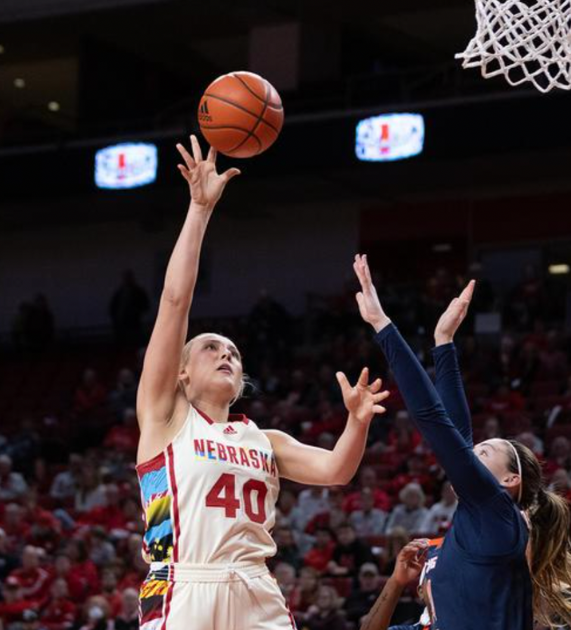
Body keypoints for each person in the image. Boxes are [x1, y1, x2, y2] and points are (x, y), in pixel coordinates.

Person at [132, 137, 391, 630]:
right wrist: (200, 211)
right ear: (183, 371)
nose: (226, 354)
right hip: (184, 583)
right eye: (212, 348)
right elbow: (173, 303)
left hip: (256, 587)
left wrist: (356, 424)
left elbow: (337, 470)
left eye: (233, 352)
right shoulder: (165, 416)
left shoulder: (264, 440)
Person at [354, 255, 571, 630]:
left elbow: (434, 420)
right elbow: (454, 430)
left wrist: (382, 325)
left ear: (509, 480)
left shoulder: (496, 511)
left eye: (483, 452)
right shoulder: (483, 515)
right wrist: (443, 344)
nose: (470, 454)